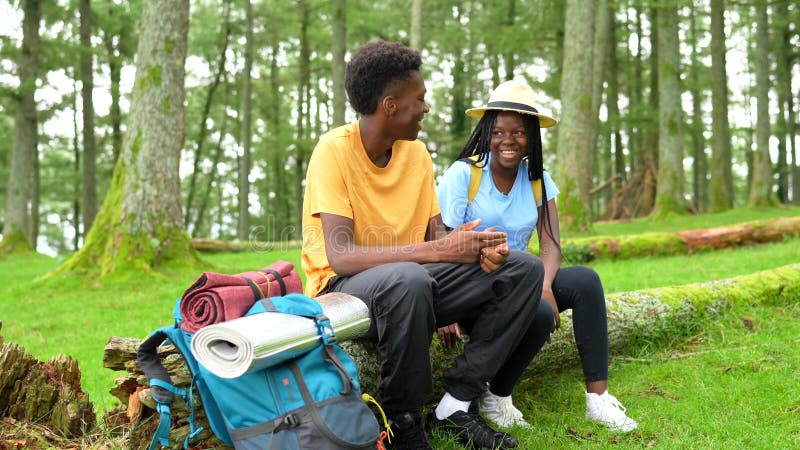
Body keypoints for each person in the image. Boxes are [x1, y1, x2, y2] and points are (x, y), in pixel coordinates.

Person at [301, 41, 545, 450]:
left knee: (523, 268)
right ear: (391, 105)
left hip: (413, 283)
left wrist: (475, 252)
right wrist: (437, 254)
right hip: (341, 290)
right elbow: (341, 256)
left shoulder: (416, 154)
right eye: (420, 100)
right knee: (410, 279)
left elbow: (437, 241)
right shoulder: (333, 151)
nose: (426, 108)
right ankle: (401, 421)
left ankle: (456, 402)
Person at [436, 80, 639, 433]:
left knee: (586, 281)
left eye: (518, 132)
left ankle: (598, 399)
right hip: (473, 287)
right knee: (541, 311)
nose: (508, 140)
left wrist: (543, 282)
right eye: (498, 131)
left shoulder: (537, 179)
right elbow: (439, 240)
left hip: (522, 279)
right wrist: (442, 307)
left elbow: (550, 243)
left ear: (532, 136)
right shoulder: (463, 174)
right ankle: (494, 394)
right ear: (486, 133)